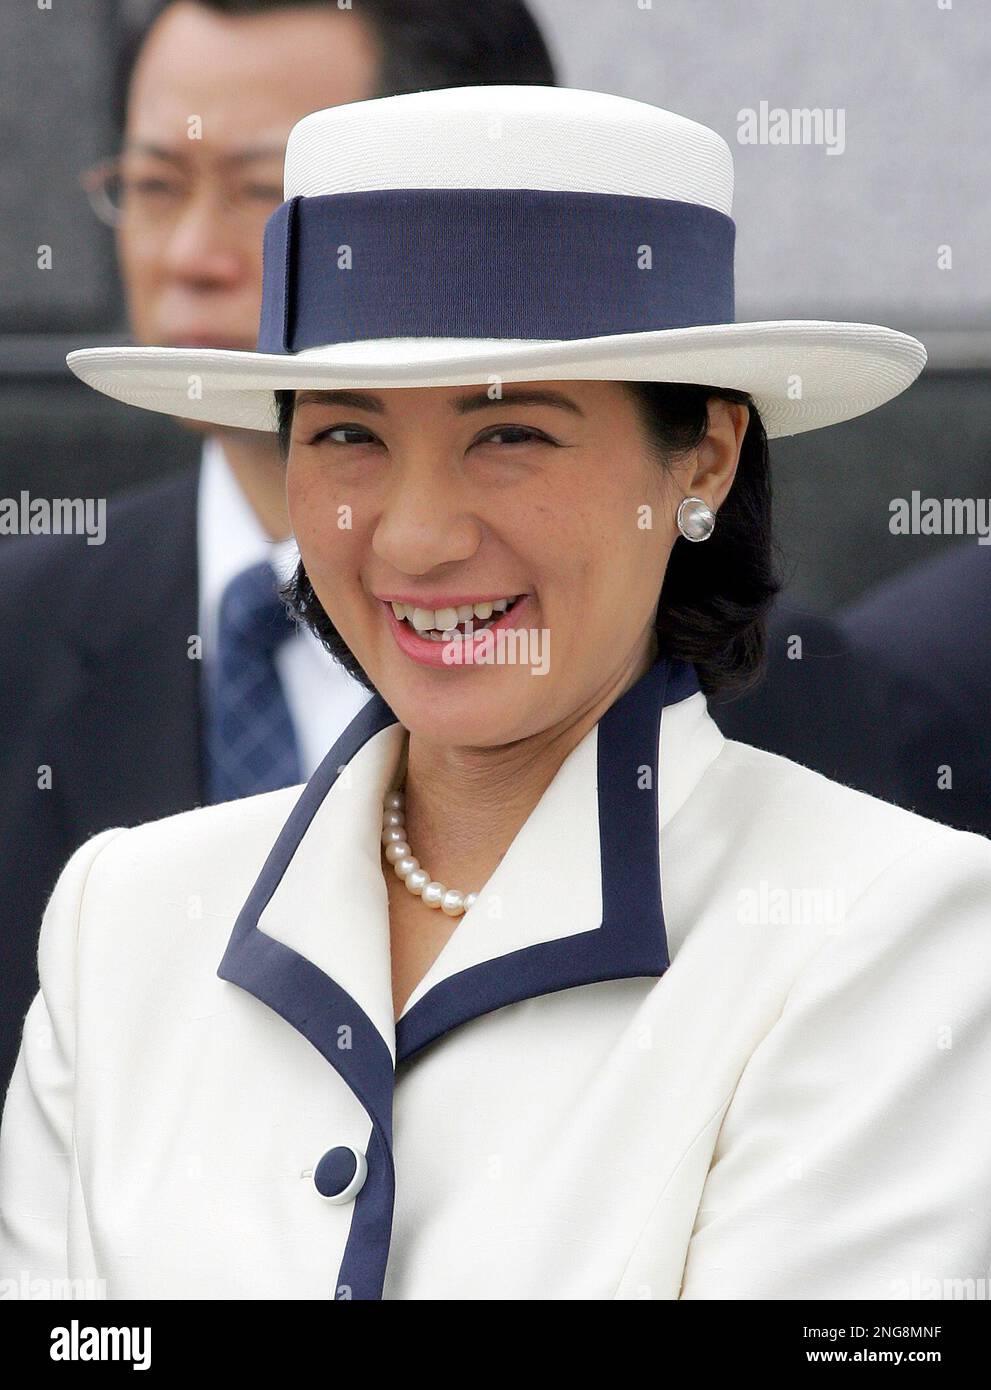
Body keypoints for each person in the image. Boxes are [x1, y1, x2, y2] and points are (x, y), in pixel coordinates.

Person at [3, 85, 990, 1301]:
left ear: (707, 455)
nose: (415, 540)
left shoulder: (882, 926)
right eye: (346, 438)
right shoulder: (125, 918)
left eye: (510, 434)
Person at [0, 0, 558, 1103]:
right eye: (155, 185)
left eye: (267, 195)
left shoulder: (749, 688)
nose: (194, 255)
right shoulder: (20, 640)